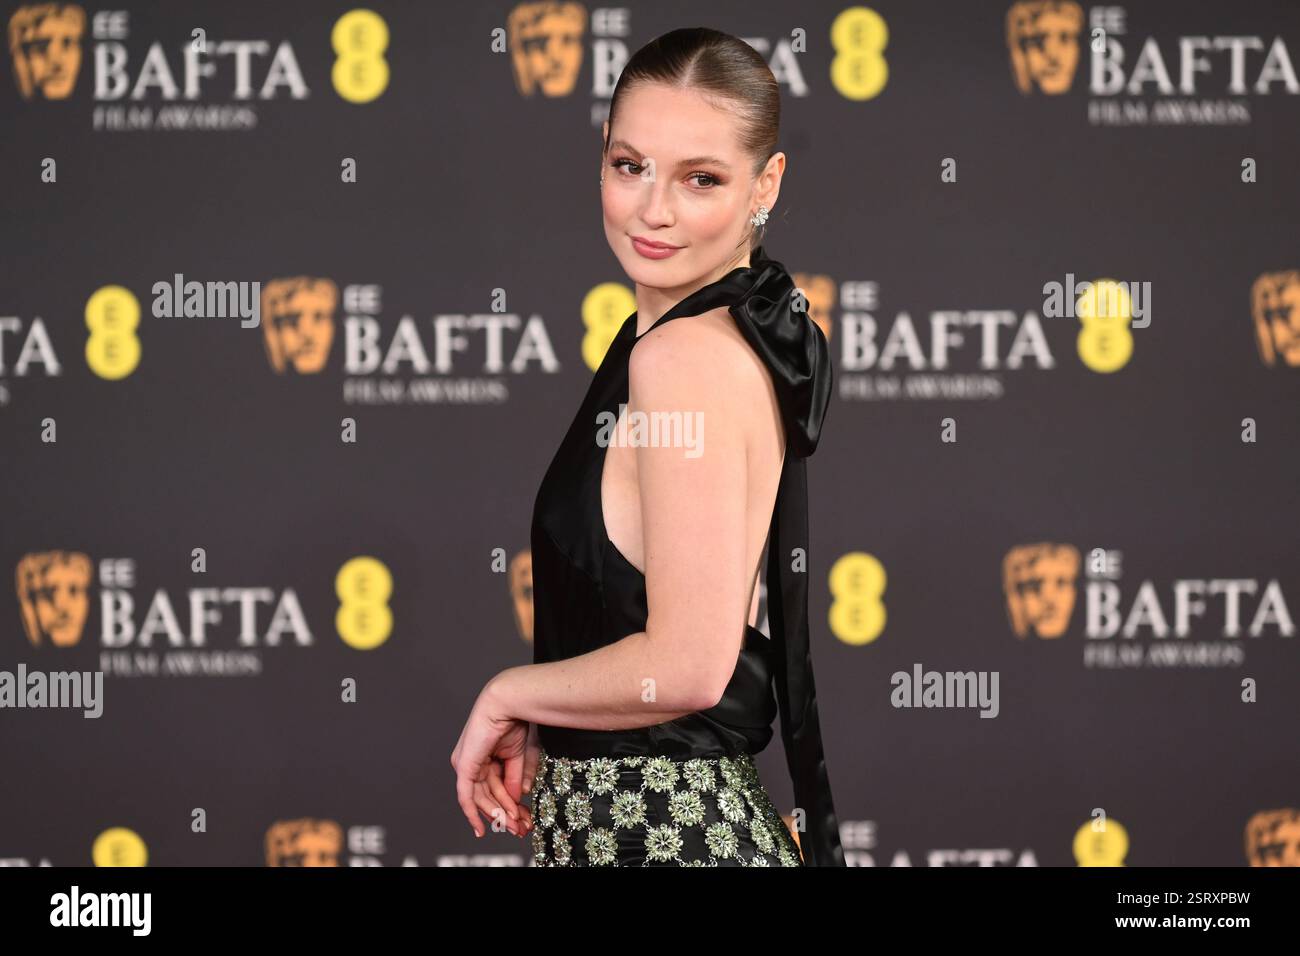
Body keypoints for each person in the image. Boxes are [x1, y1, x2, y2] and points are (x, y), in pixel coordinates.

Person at [451, 26, 845, 866]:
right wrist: (557, 710)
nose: (653, 209)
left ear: (766, 183)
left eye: (701, 178)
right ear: (602, 153)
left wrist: (507, 693)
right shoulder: (695, 339)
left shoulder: (683, 357)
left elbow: (690, 666)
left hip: (662, 836)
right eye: (631, 165)